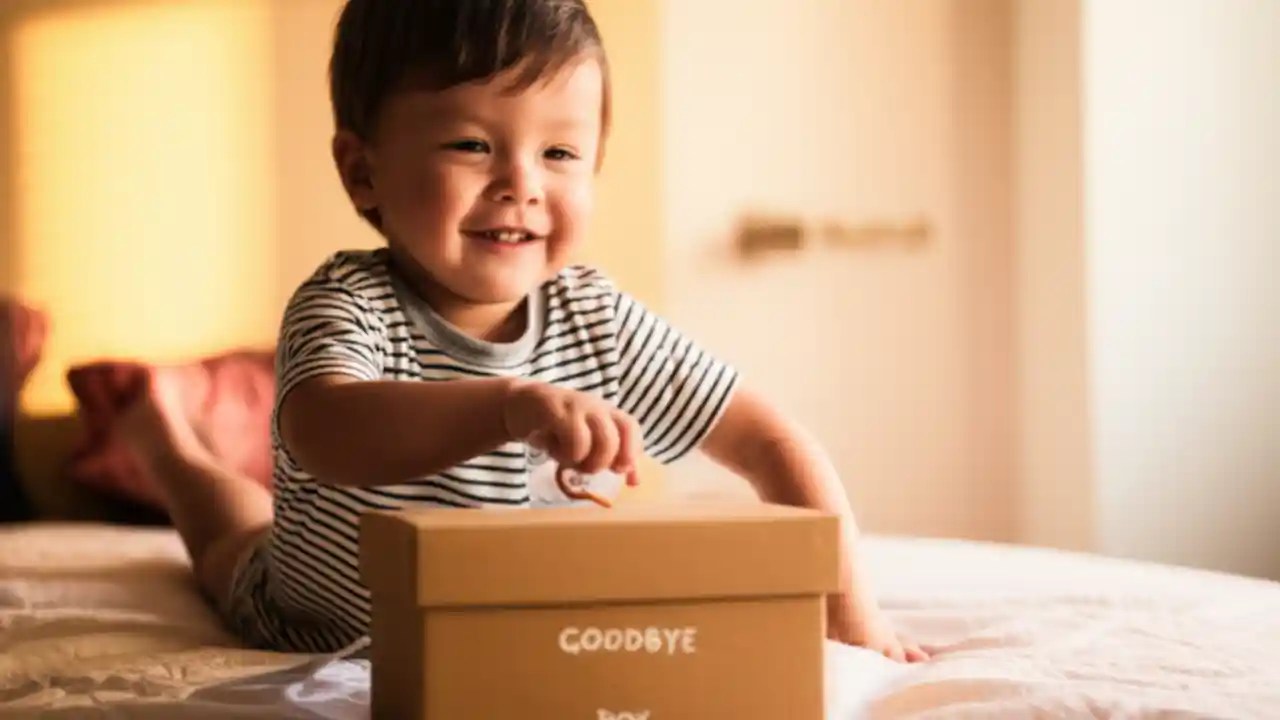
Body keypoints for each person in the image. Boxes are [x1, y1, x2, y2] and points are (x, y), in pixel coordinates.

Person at [119, 0, 927, 662]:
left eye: (561, 152)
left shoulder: (597, 318)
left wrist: (853, 622)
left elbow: (772, 443)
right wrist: (506, 406)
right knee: (230, 531)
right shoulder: (346, 299)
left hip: (514, 635)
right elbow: (327, 432)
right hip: (310, 619)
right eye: (473, 144)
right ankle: (165, 439)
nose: (521, 185)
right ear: (364, 172)